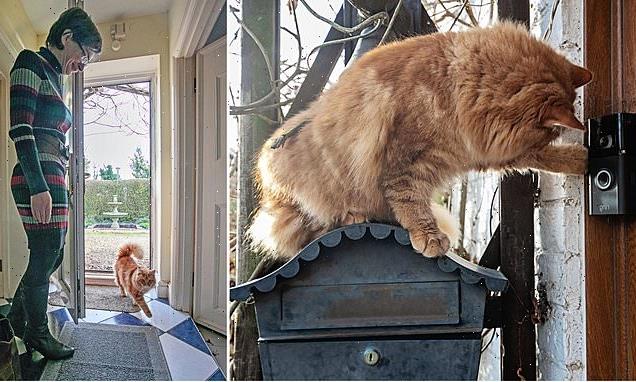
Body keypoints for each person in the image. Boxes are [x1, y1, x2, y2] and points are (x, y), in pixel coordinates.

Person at [7, 7, 101, 360]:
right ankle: (36, 333)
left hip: (52, 173)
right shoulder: (29, 62)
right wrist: (39, 187)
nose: (82, 64)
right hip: (38, 175)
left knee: (53, 252)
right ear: (67, 38)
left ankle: (17, 317)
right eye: (85, 55)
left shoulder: (52, 75)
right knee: (46, 251)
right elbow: (21, 129)